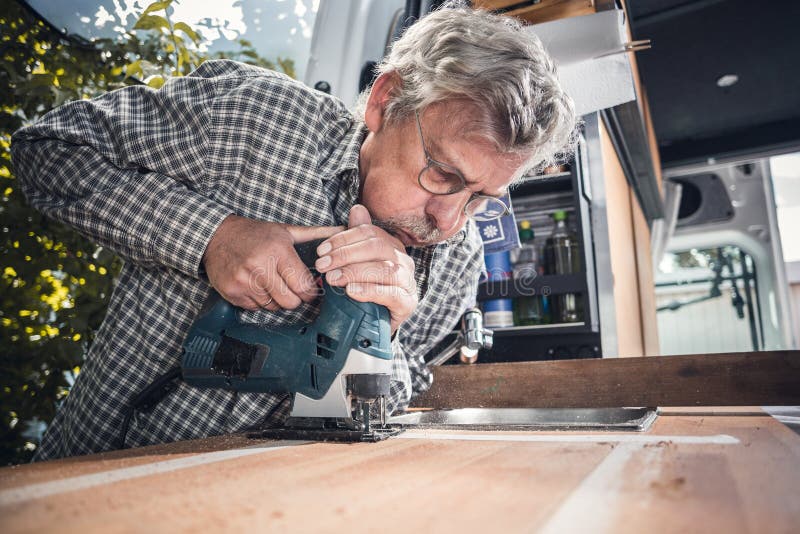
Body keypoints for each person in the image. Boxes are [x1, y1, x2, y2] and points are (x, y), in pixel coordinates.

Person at [11, 4, 576, 460]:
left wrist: (385, 342)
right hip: (82, 472)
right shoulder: (253, 115)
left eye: (480, 198)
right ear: (385, 100)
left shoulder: (458, 262)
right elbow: (48, 151)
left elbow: (371, 420)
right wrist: (210, 235)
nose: (448, 221)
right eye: (444, 174)